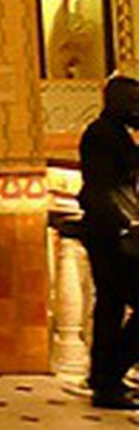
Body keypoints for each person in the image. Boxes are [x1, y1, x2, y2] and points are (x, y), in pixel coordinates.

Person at [78, 76, 139, 410]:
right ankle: (109, 375)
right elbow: (102, 191)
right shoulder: (103, 136)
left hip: (108, 233)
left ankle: (105, 377)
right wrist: (124, 226)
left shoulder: (112, 134)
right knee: (115, 303)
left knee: (110, 306)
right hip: (111, 236)